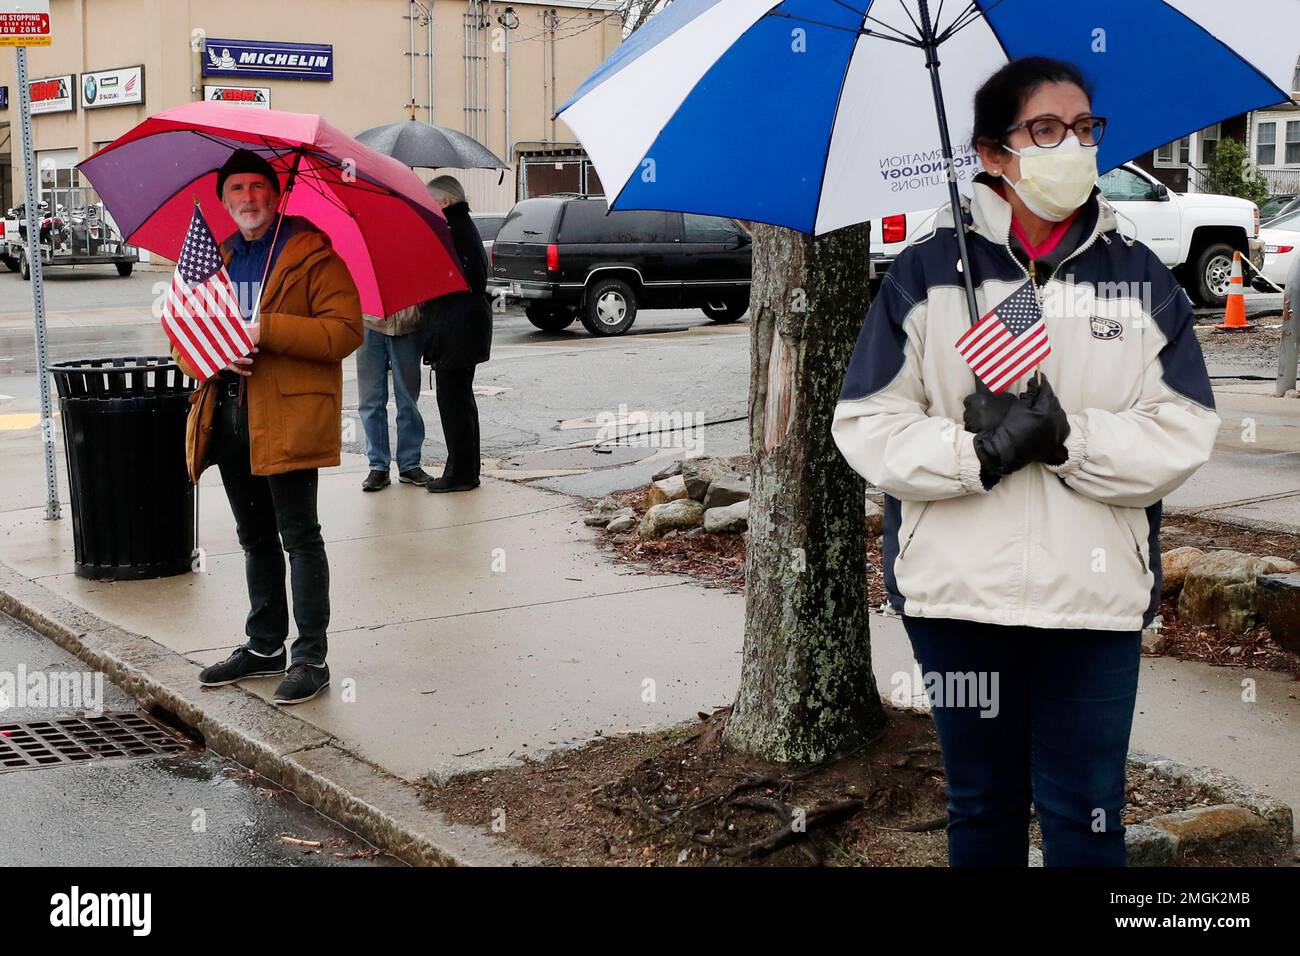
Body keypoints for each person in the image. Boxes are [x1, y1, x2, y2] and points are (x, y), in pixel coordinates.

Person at [832, 57, 1220, 866]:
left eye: (1085, 129)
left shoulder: (1140, 278)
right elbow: (868, 425)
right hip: (958, 601)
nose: (1072, 146)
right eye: (1045, 130)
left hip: (1094, 601)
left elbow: (1183, 428)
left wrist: (1069, 439)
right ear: (991, 154)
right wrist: (976, 452)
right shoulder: (926, 275)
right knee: (982, 809)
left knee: (1088, 816)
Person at [178, 149, 363, 705]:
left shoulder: (312, 255)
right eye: (236, 189)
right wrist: (214, 356)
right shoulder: (218, 258)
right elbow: (184, 336)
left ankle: (311, 657)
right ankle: (264, 646)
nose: (248, 199)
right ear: (224, 200)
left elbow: (344, 332)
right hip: (230, 416)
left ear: (276, 194)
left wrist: (265, 331)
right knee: (253, 538)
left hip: (288, 418)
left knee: (299, 538)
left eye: (258, 187)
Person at [422, 175, 492, 493]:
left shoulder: (453, 229)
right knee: (461, 401)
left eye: (432, 200)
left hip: (458, 330)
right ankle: (465, 470)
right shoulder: (459, 227)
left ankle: (461, 474)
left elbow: (470, 279)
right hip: (461, 328)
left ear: (446, 201)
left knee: (454, 403)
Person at [357, 302, 431, 491]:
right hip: (369, 322)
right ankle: (378, 465)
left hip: (409, 324)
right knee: (370, 400)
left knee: (408, 399)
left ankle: (410, 463)